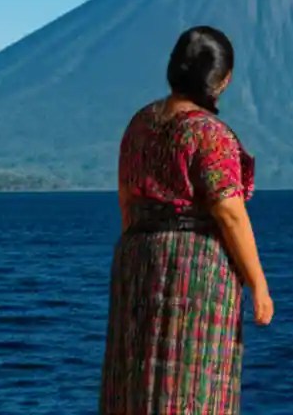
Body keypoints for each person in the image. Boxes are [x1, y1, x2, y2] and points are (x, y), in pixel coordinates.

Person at [99, 25, 274, 415]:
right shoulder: (210, 136)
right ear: (222, 81)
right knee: (194, 382)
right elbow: (229, 213)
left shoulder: (140, 124)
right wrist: (258, 285)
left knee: (135, 377)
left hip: (136, 258)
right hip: (194, 270)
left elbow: (127, 200)